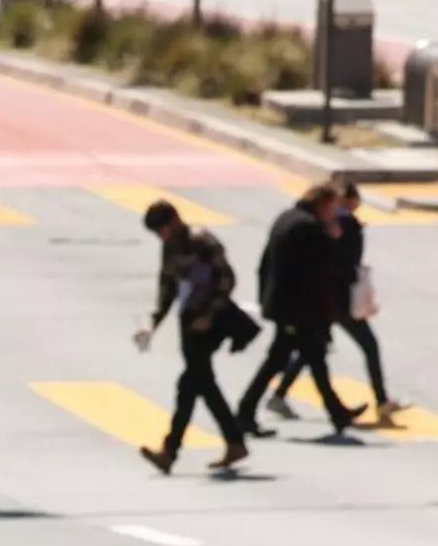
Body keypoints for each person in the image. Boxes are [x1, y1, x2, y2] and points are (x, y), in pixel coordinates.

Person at [134, 197, 249, 476]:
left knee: (189, 385)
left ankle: (170, 451)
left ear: (174, 220)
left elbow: (228, 280)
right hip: (188, 323)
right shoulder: (170, 246)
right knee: (202, 384)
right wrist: (152, 324)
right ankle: (234, 441)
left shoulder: (202, 241)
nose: (161, 236)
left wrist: (209, 313)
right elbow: (167, 287)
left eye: (163, 229)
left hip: (211, 322)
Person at [237, 182, 357, 440]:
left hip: (285, 305)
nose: (334, 215)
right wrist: (333, 238)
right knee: (296, 360)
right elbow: (319, 270)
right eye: (333, 209)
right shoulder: (309, 228)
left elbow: (266, 263)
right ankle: (244, 412)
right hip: (298, 309)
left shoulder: (287, 218)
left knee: (302, 359)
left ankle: (337, 413)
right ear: (323, 205)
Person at [332, 179, 399, 427]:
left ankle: (279, 393)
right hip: (342, 297)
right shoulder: (348, 224)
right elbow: (353, 261)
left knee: (310, 350)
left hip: (325, 296)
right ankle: (382, 402)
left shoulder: (327, 222)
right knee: (369, 346)